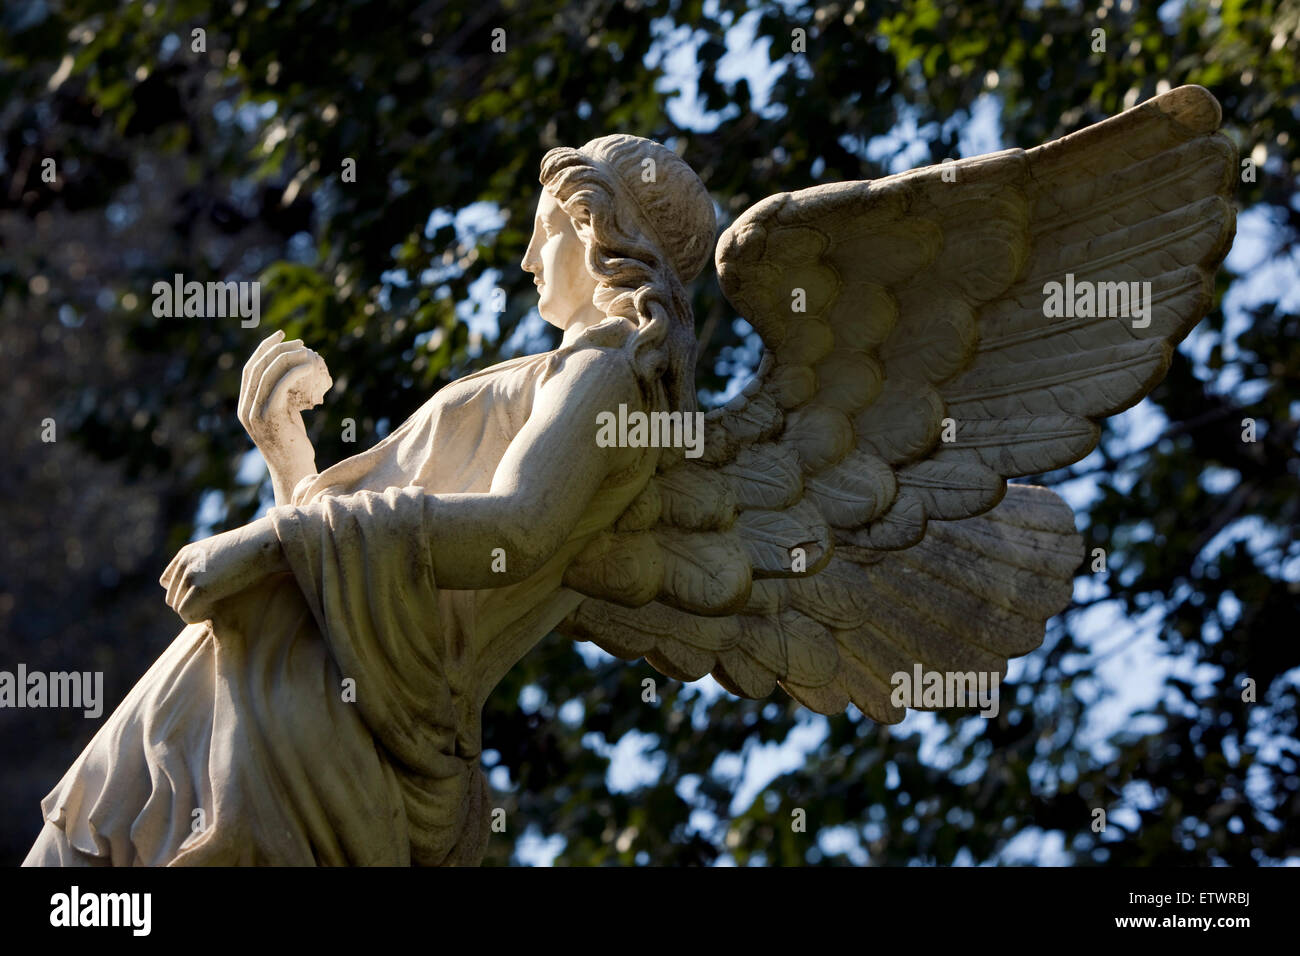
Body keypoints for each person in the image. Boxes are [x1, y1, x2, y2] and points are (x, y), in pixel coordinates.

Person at [24, 134, 717, 866]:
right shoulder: (577, 371)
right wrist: (291, 466)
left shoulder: (608, 374)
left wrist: (270, 543)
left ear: (596, 230)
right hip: (310, 672)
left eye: (543, 231)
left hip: (332, 707)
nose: (526, 257)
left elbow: (515, 531)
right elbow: (379, 563)